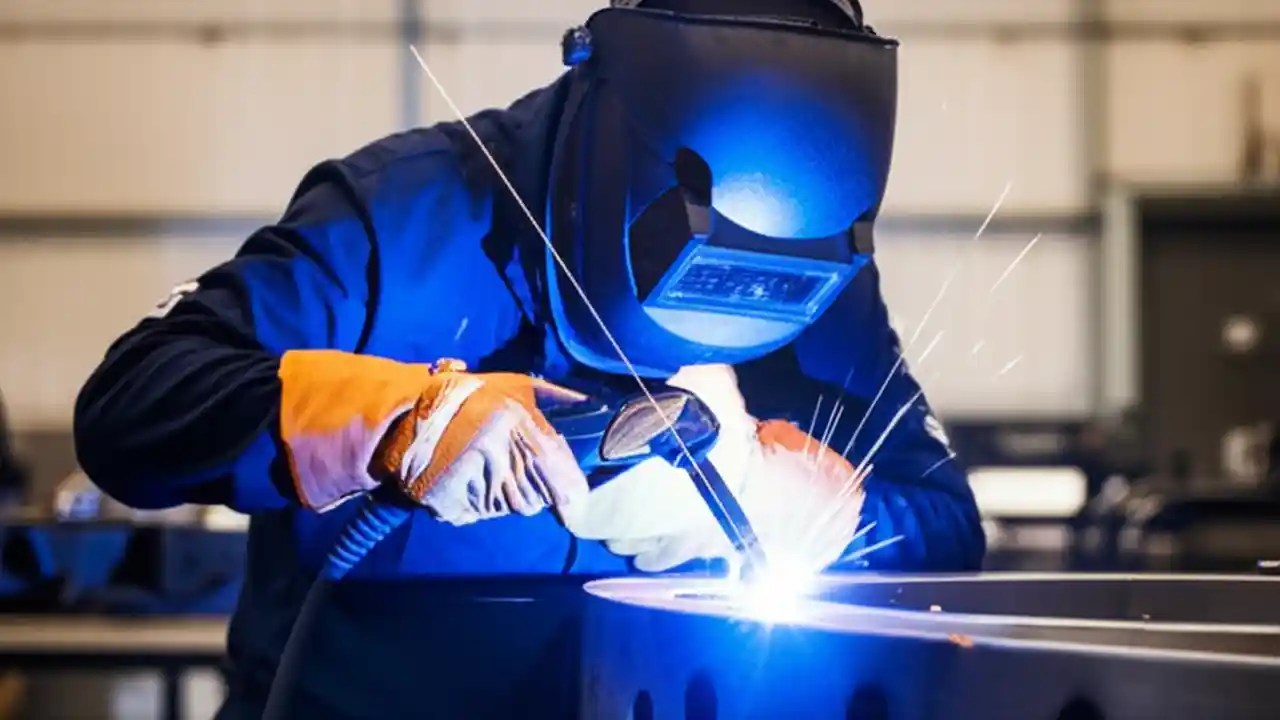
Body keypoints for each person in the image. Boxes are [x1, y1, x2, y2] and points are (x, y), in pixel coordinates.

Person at [73, 1, 984, 717]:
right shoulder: (403, 216)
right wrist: (397, 423)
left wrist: (790, 509)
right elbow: (131, 408)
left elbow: (946, 522)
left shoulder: (809, 271)